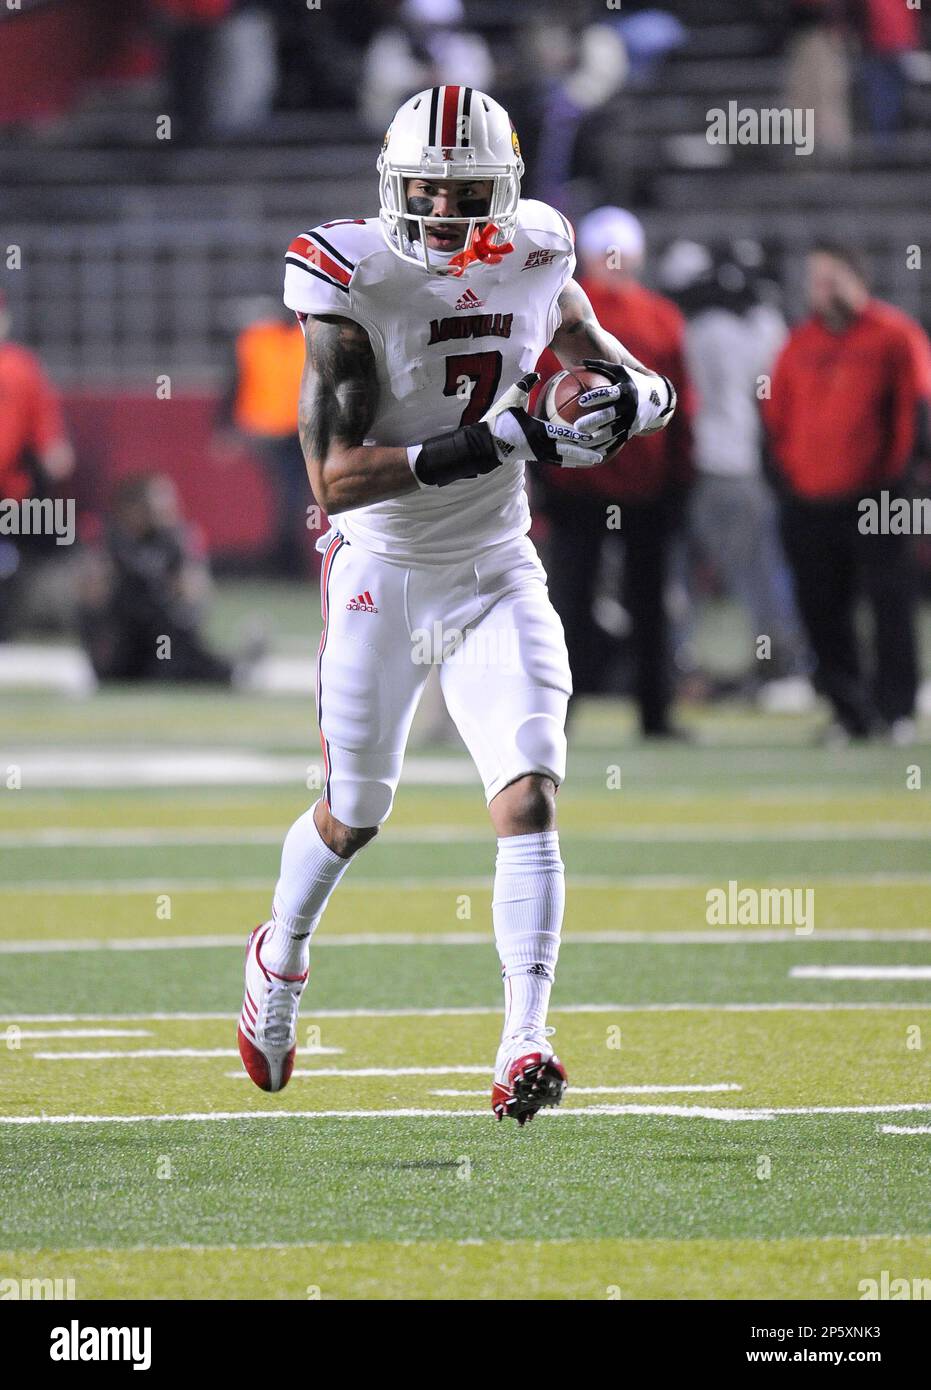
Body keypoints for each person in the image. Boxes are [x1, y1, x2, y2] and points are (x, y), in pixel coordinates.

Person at [237, 86, 677, 1124]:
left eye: (463, 188)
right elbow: (335, 480)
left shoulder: (536, 252)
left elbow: (601, 363)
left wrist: (638, 400)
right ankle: (281, 955)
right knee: (357, 813)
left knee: (527, 791)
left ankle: (524, 1039)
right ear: (391, 185)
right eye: (424, 185)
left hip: (493, 562)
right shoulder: (352, 280)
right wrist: (510, 439)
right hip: (380, 571)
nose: (440, 205)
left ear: (504, 191)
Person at [763, 241, 931, 743]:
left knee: (889, 603)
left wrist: (900, 478)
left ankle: (896, 707)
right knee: (822, 607)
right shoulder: (799, 344)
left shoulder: (894, 335)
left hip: (876, 496)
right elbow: (774, 420)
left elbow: (917, 408)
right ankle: (848, 708)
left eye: (833, 277)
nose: (823, 289)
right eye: (817, 279)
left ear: (859, 279)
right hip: (810, 500)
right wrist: (785, 483)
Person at [535, 207, 692, 737]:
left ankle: (571, 714)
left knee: (577, 606)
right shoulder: (658, 317)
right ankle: (651, 714)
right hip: (609, 484)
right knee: (627, 605)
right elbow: (681, 407)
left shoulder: (570, 313)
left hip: (593, 483)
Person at [660, 238, 810, 698]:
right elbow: (776, 398)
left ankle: (684, 666)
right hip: (738, 464)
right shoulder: (760, 324)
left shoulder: (694, 327)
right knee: (756, 571)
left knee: (691, 574)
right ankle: (782, 666)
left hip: (695, 462)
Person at [78, 473, 247, 684]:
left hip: (160, 640)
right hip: (122, 641)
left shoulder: (175, 540)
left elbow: (194, 593)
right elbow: (92, 597)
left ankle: (228, 667)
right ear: (132, 507)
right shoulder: (107, 538)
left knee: (186, 655)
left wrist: (177, 583)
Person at [0, 291, 74, 640]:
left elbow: (49, 439)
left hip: (12, 492)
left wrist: (51, 452)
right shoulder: (21, 366)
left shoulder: (21, 367)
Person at [216, 299, 308, 577]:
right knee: (289, 496)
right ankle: (286, 557)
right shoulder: (265, 340)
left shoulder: (263, 339)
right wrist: (225, 425)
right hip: (279, 431)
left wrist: (225, 425)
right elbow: (237, 381)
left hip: (287, 430)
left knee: (290, 495)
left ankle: (287, 556)